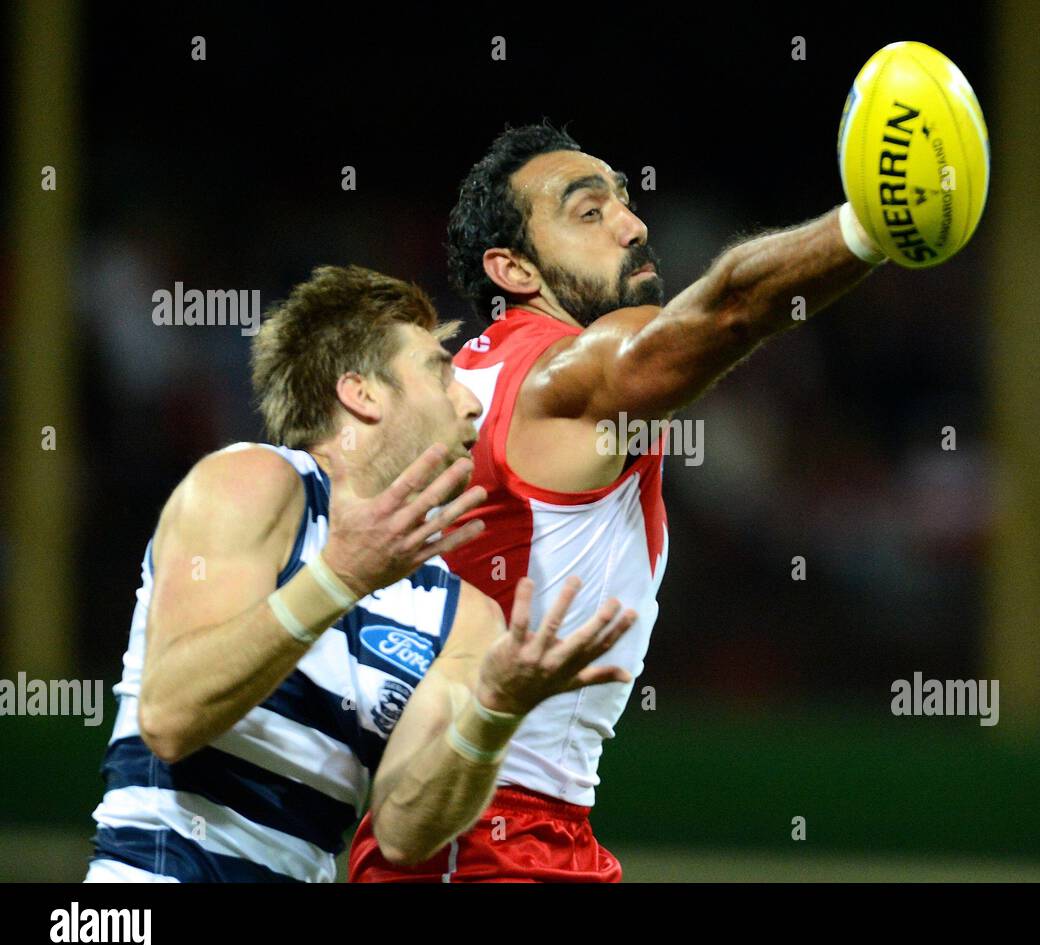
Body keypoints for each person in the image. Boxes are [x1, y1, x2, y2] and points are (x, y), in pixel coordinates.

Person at [348, 122, 889, 882]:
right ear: (512, 268)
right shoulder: (560, 378)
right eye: (588, 212)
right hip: (493, 842)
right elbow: (732, 308)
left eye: (626, 204)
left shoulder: (451, 388)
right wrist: (872, 224)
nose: (634, 227)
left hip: (448, 825)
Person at [84, 265, 635, 882]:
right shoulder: (254, 483)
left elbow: (404, 831)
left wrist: (494, 712)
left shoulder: (463, 615)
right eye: (440, 371)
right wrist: (341, 578)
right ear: (362, 393)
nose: (471, 401)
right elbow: (169, 717)